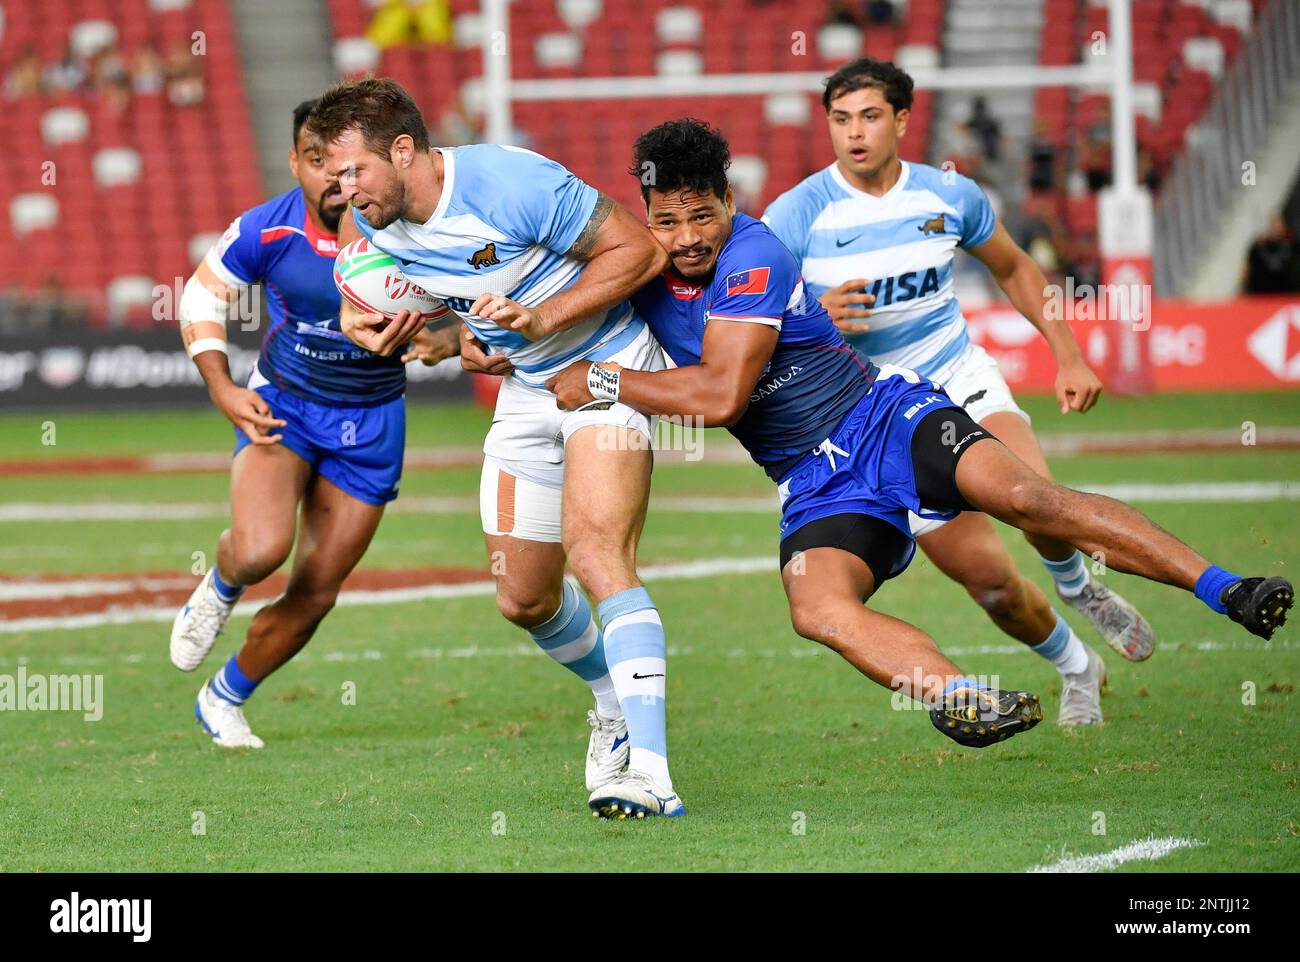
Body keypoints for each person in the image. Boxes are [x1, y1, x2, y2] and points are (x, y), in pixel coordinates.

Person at [543, 119, 1292, 746]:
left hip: (887, 420)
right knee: (822, 608)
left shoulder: (756, 250)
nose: (687, 238)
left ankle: (1227, 588)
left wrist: (602, 382)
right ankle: (965, 695)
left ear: (730, 202)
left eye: (702, 215)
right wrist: (459, 337)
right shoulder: (640, 272)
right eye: (667, 221)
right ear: (646, 217)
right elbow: (536, 282)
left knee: (1031, 499)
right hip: (811, 479)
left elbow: (720, 394)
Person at [309, 78, 683, 819]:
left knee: (598, 554)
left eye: (355, 171)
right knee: (524, 597)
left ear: (406, 151)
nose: (342, 189)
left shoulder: (509, 181)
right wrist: (414, 335)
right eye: (334, 174)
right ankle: (611, 698)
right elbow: (416, 302)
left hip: (610, 372)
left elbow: (639, 252)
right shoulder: (374, 230)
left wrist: (541, 318)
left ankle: (652, 775)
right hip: (526, 390)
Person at [762, 59, 1155, 725]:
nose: (854, 132)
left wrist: (1069, 354)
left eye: (870, 116)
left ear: (903, 120)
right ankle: (1077, 666)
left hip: (958, 378)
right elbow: (755, 325)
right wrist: (816, 310)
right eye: (840, 119)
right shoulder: (794, 216)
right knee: (994, 588)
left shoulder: (948, 196)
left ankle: (1076, 585)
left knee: (1035, 498)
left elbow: (1014, 266)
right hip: (875, 421)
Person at [169, 101, 458, 749]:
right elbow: (199, 297)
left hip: (373, 420)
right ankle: (220, 586)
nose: (333, 174)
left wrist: (450, 338)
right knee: (259, 550)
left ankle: (224, 696)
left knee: (316, 592)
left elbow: (486, 290)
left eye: (343, 160)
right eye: (315, 158)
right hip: (287, 405)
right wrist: (220, 387)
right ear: (295, 163)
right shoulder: (267, 230)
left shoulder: (409, 228)